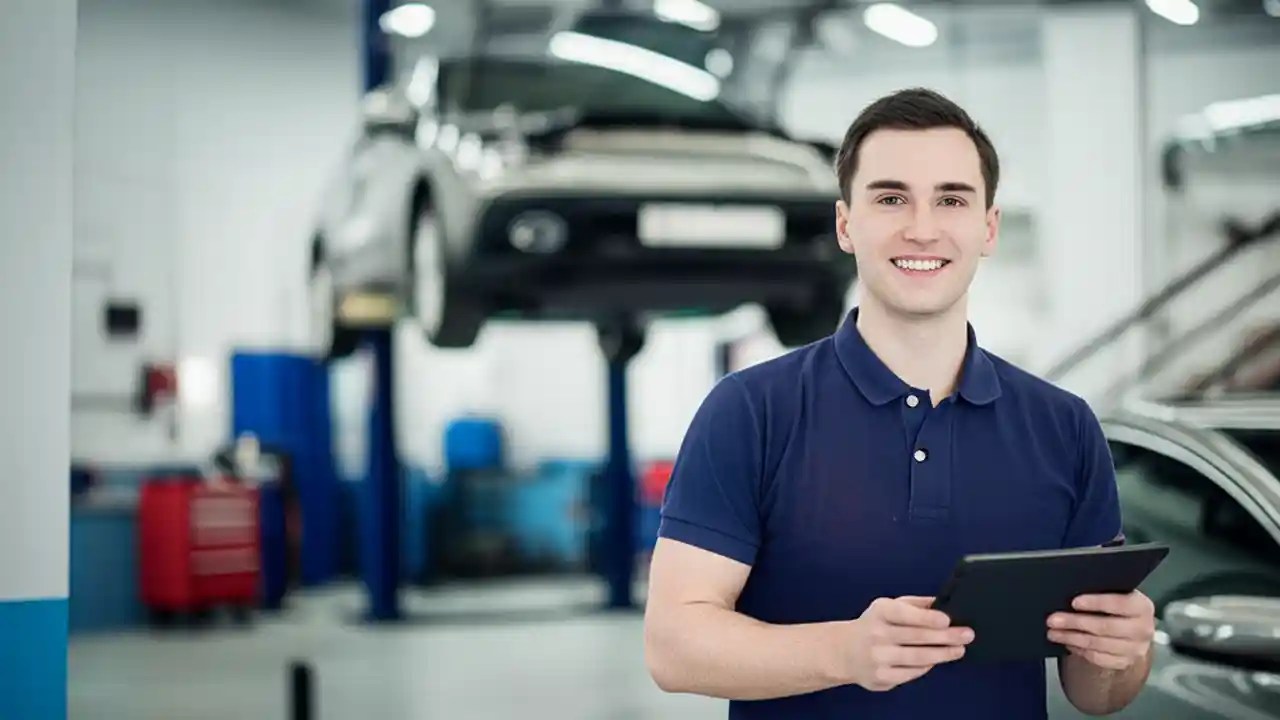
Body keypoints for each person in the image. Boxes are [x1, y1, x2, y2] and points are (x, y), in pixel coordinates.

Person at [643, 88, 1155, 719]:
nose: (922, 228)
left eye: (951, 200)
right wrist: (843, 653)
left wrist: (1121, 653)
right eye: (891, 199)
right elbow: (674, 647)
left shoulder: (1065, 426)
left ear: (988, 227)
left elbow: (1096, 696)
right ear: (845, 225)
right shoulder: (751, 412)